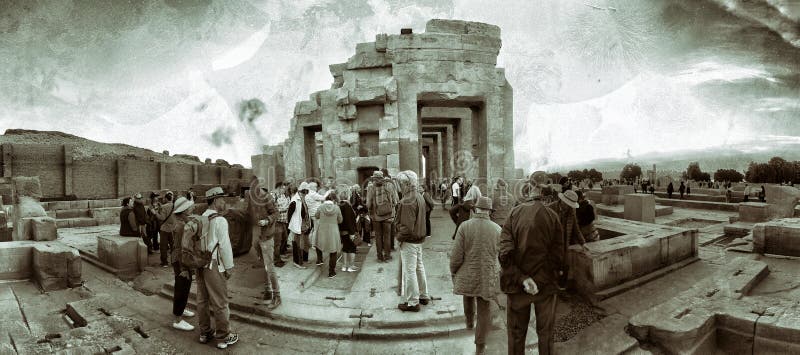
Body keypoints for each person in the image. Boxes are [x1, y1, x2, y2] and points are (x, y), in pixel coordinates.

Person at [499, 171, 564, 355]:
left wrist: (523, 279)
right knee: (546, 335)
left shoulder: (513, 214)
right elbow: (558, 257)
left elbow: (504, 255)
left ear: (529, 186)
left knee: (517, 335)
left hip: (518, 287)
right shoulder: (552, 217)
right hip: (545, 287)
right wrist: (539, 280)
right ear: (546, 190)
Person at [450, 196, 500, 355]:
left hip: (467, 270)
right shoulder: (497, 229)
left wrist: (453, 269)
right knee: (484, 308)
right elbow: (500, 256)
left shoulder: (465, 226)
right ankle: (480, 345)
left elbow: (456, 255)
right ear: (489, 212)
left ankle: (469, 321)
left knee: (468, 293)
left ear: (476, 209)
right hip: (487, 273)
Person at [196, 187, 238, 349]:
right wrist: (229, 267)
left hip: (200, 264)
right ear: (215, 201)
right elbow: (225, 246)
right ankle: (223, 337)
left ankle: (205, 333)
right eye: (222, 199)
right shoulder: (220, 220)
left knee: (202, 300)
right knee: (220, 301)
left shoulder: (201, 218)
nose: (224, 202)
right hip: (214, 264)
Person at [395, 170, 430, 312]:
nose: (399, 186)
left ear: (405, 183)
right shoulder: (419, 196)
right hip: (419, 239)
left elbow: (407, 227)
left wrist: (399, 238)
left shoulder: (407, 200)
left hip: (410, 240)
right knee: (419, 267)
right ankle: (423, 295)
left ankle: (413, 302)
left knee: (410, 271)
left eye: (400, 183)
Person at [249, 185, 282, 308]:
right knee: (263, 266)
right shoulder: (252, 197)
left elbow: (275, 213)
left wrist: (267, 220)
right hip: (257, 237)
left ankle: (277, 296)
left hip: (266, 236)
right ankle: (268, 291)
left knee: (269, 266)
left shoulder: (266, 197)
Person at [548, 189, 586, 290]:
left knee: (565, 263)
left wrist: (583, 243)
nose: (569, 207)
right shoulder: (550, 208)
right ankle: (551, 285)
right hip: (551, 242)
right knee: (551, 263)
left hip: (564, 241)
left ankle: (561, 286)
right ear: (563, 201)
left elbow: (576, 229)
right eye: (568, 204)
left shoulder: (571, 211)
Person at [169, 196, 196, 331]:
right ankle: (178, 319)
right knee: (182, 287)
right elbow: (180, 249)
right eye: (189, 208)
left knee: (184, 286)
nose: (192, 209)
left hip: (180, 259)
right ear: (184, 211)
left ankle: (181, 309)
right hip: (181, 261)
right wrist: (183, 268)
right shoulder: (181, 226)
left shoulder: (181, 223)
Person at [367, 171, 397, 262]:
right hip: (388, 216)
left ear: (374, 178)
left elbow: (368, 204)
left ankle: (379, 257)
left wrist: (371, 212)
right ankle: (387, 256)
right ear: (382, 177)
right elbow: (395, 201)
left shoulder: (371, 187)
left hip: (376, 216)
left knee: (378, 237)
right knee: (387, 236)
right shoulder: (389, 186)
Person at [315, 192, 343, 278]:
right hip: (333, 231)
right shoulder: (337, 208)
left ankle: (319, 259)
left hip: (322, 230)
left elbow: (316, 216)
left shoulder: (321, 207)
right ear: (334, 200)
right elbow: (340, 220)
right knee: (333, 251)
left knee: (318, 244)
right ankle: (331, 271)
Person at [288, 183, 311, 268]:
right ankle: (297, 262)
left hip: (302, 224)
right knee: (297, 244)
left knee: (302, 243)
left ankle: (302, 260)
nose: (305, 195)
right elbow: (289, 213)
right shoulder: (295, 200)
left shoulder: (301, 199)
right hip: (297, 225)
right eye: (304, 193)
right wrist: (291, 225)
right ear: (302, 192)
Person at [304, 181, 327, 265]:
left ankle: (314, 244)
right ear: (312, 187)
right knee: (317, 230)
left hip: (313, 214)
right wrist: (328, 192)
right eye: (316, 186)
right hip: (316, 214)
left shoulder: (308, 194)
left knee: (315, 230)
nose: (317, 188)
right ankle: (315, 244)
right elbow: (323, 198)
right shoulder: (312, 193)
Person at [338, 190, 359, 272]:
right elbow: (348, 220)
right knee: (352, 247)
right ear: (347, 196)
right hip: (348, 230)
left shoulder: (340, 205)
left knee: (345, 248)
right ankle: (351, 266)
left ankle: (344, 266)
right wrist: (352, 232)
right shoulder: (347, 205)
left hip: (342, 230)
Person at [156, 191, 177, 268]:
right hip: (173, 228)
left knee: (163, 246)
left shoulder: (164, 207)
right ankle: (174, 261)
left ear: (165, 198)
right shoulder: (176, 206)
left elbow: (162, 218)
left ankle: (164, 262)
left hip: (164, 229)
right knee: (173, 246)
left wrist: (155, 213)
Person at [272, 182, 291, 262]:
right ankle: (276, 258)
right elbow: (272, 209)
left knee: (284, 237)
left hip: (283, 220)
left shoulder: (283, 195)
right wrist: (283, 209)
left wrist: (285, 207)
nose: (284, 190)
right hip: (277, 221)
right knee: (277, 240)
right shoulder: (273, 195)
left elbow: (288, 204)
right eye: (283, 188)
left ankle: (280, 254)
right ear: (279, 188)